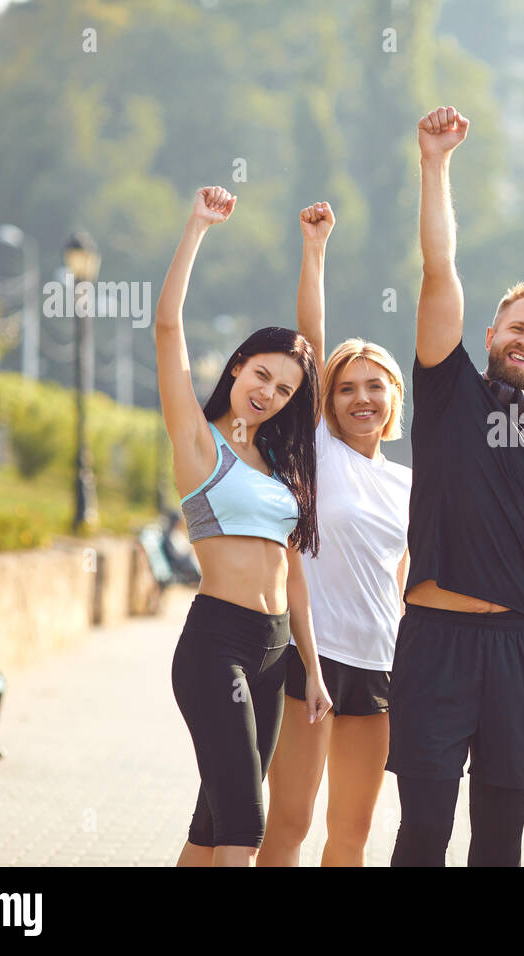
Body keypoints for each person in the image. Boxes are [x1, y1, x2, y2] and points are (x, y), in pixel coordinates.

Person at [386, 106, 524, 867]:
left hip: (521, 654)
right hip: (433, 642)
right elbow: (440, 270)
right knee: (423, 834)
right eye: (517, 325)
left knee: (499, 844)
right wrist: (435, 166)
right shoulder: (446, 394)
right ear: (489, 333)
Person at [157, 186, 330, 867]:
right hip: (217, 644)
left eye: (284, 389)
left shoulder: (286, 461)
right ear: (236, 366)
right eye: (261, 375)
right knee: (244, 828)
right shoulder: (200, 444)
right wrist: (196, 227)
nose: (269, 392)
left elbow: (292, 577)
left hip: (275, 647)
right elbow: (168, 329)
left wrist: (313, 254)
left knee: (213, 825)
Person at [259, 201, 412, 867]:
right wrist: (315, 249)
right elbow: (311, 342)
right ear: (328, 400)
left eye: (375, 387)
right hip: (310, 655)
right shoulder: (317, 447)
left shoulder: (408, 484)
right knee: (289, 823)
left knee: (350, 834)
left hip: (379, 664)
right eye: (347, 388)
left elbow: (401, 579)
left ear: (393, 398)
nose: (361, 398)